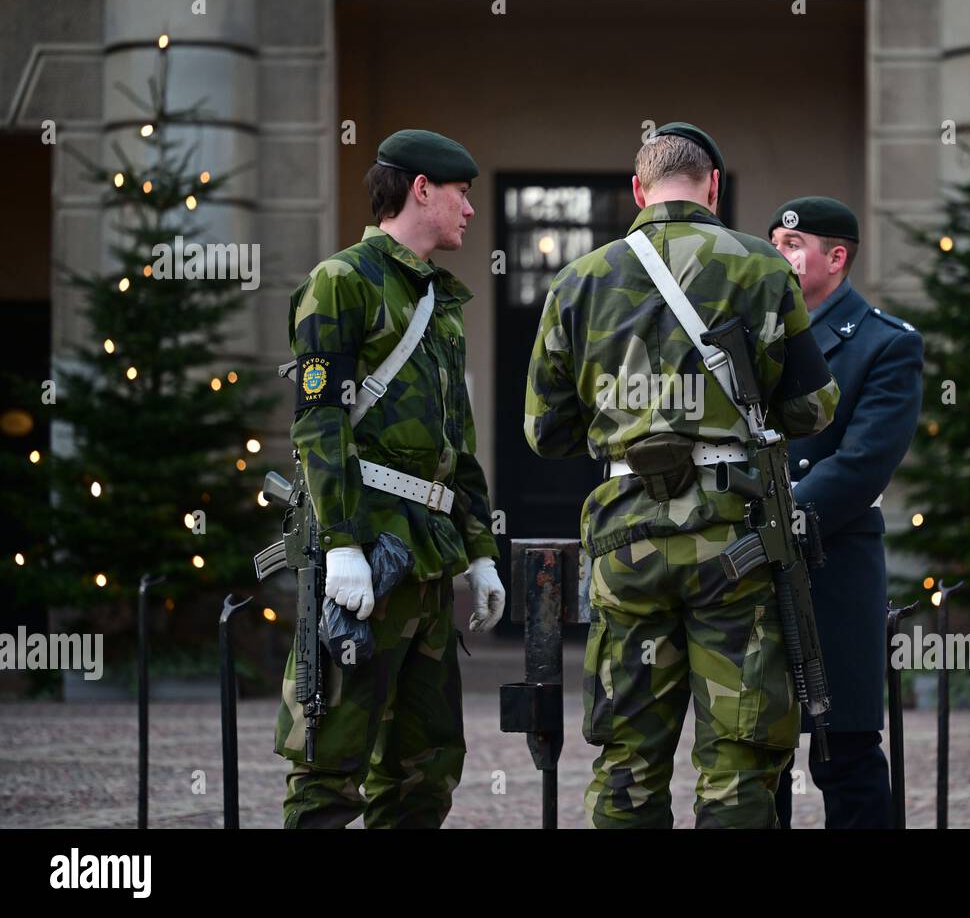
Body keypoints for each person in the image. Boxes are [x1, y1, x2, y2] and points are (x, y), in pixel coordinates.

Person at [524, 123, 839, 828]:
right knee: (740, 751)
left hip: (623, 540)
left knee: (627, 757)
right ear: (713, 186)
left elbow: (544, 433)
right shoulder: (762, 267)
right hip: (734, 545)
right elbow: (814, 407)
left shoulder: (579, 279)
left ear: (638, 189)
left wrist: (626, 433)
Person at [273, 129, 506, 828]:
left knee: (425, 770)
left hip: (429, 556)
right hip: (368, 553)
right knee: (330, 764)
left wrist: (483, 554)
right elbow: (319, 423)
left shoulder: (440, 303)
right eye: (462, 195)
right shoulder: (341, 283)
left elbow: (457, 446)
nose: (470, 211)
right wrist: (342, 542)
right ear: (421, 189)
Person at [768, 196, 923, 829]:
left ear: (836, 257)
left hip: (833, 565)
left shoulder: (887, 345)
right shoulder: (756, 335)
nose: (779, 256)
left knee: (846, 751)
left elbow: (862, 465)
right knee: (757, 750)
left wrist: (774, 523)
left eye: (792, 246)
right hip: (754, 567)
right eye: (774, 242)